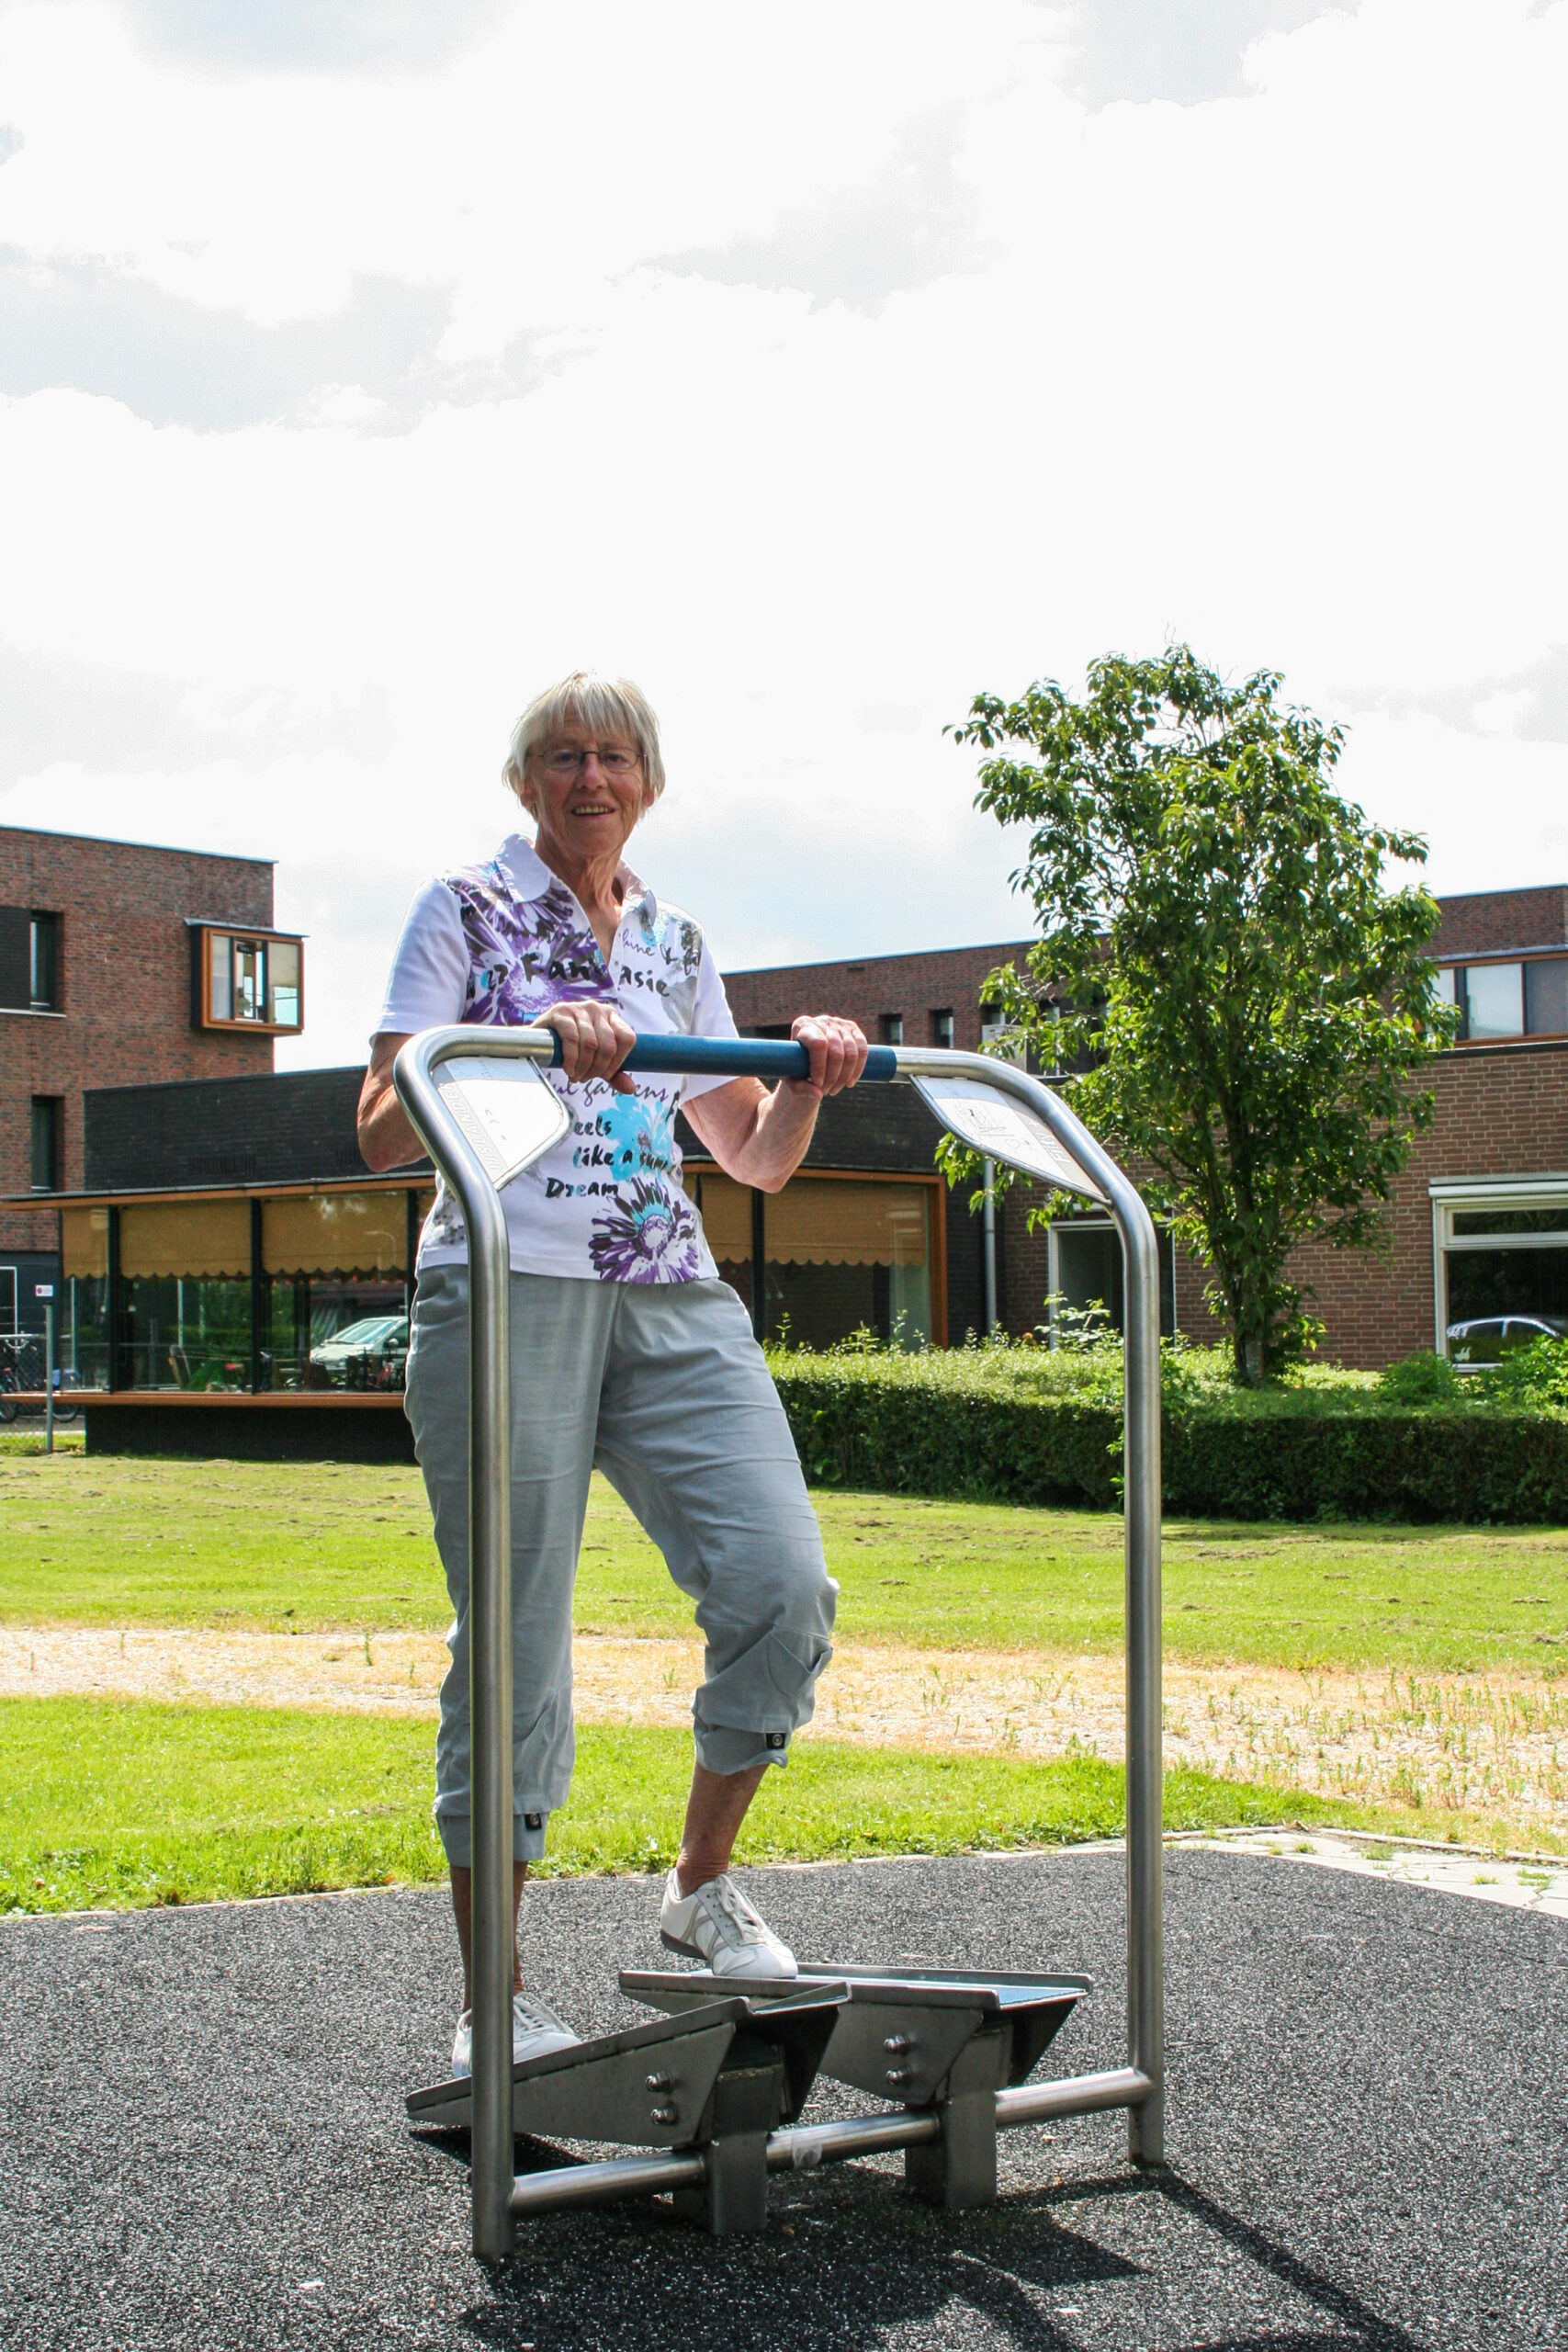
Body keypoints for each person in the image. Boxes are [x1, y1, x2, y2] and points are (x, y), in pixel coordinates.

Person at [358, 672, 869, 2077]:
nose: (593, 777)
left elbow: (751, 1153)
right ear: (525, 784)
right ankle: (496, 1996)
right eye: (565, 757)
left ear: (652, 780)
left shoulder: (675, 936)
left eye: (617, 756)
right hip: (507, 1287)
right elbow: (376, 1128)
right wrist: (539, 1047)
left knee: (781, 1587)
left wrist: (809, 1077)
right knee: (517, 1646)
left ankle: (700, 1893)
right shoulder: (463, 908)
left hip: (668, 1285)